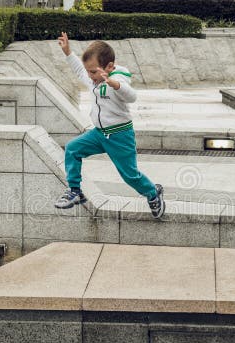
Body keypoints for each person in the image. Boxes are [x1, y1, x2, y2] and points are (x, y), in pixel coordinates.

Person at [53, 32, 165, 219]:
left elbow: (132, 96)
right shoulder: (93, 77)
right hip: (99, 134)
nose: (90, 76)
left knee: (130, 176)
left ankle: (153, 193)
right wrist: (68, 52)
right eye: (89, 72)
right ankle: (75, 191)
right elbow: (80, 71)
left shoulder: (119, 79)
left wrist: (115, 85)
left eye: (94, 72)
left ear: (109, 66)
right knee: (72, 149)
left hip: (120, 135)